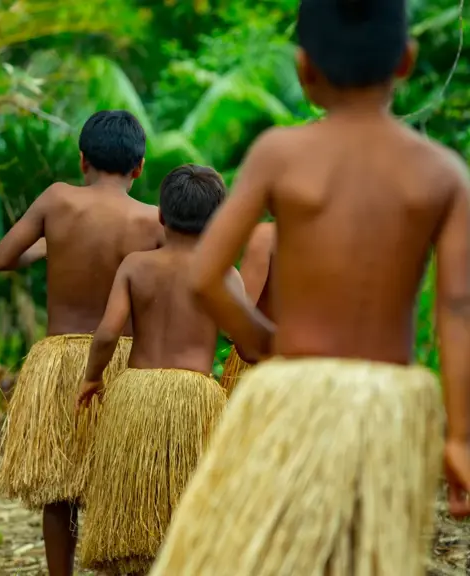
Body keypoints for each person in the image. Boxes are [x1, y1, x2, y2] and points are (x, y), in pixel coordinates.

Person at [150, 0, 470, 574]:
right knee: (361, 553)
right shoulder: (443, 173)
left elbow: (205, 275)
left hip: (294, 389)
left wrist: (264, 344)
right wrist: (460, 437)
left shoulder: (280, 154)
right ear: (406, 61)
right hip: (387, 403)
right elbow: (458, 308)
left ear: (303, 70)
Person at [0, 110, 165, 576]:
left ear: (83, 159)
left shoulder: (56, 200)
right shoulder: (153, 220)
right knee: (121, 483)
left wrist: (48, 245)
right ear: (139, 167)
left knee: (60, 487)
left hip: (59, 361)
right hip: (123, 363)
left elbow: (2, 258)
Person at [74, 164, 235, 575]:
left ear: (161, 215)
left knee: (132, 510)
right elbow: (244, 337)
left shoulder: (135, 266)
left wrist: (92, 376)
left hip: (137, 394)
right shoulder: (223, 273)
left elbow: (108, 332)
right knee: (189, 501)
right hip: (195, 398)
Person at [219, 222, 275, 396]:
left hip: (264, 367)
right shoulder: (344, 238)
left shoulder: (268, 236)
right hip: (328, 373)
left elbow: (240, 315)